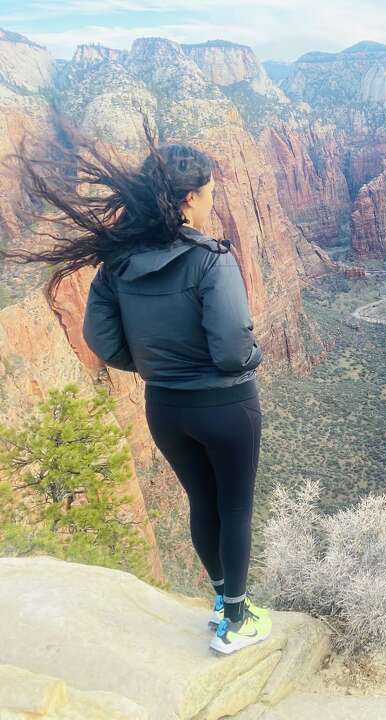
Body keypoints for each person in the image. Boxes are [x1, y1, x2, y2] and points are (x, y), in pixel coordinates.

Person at [0, 115, 271, 656]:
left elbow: (101, 339)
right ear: (190, 199)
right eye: (210, 193)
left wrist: (150, 365)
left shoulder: (116, 264)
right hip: (225, 406)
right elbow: (231, 348)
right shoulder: (210, 261)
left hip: (163, 407)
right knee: (235, 506)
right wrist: (254, 356)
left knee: (201, 501)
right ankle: (238, 621)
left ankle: (220, 602)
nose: (213, 202)